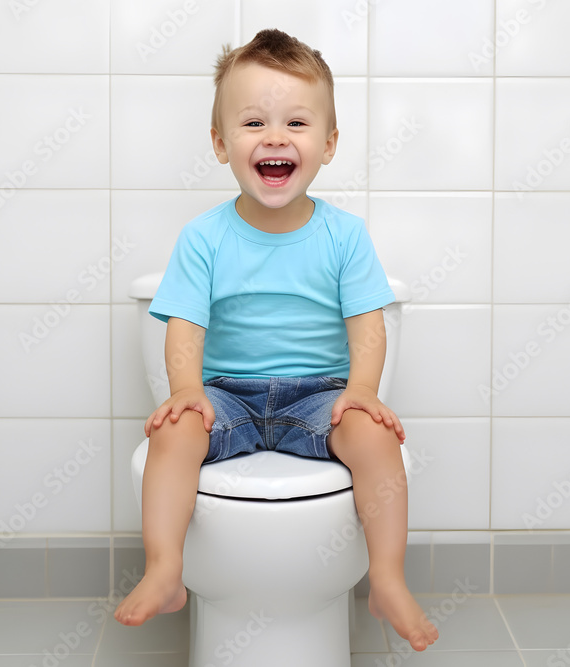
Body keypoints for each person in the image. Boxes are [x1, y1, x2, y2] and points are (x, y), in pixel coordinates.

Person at [113, 28, 438, 652]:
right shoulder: (204, 238)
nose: (275, 137)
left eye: (296, 122)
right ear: (220, 142)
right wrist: (186, 391)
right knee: (172, 432)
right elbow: (185, 326)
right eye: (254, 122)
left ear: (329, 143)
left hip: (321, 394)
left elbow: (368, 324)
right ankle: (164, 567)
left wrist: (362, 391)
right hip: (227, 393)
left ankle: (387, 578)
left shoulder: (345, 236)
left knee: (375, 438)